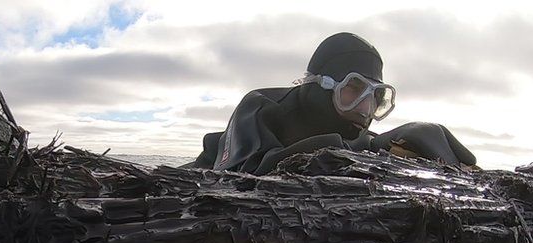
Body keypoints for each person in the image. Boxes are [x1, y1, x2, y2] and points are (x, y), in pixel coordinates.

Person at [187, 32, 476, 174]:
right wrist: (358, 150)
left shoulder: (353, 131)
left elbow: (349, 149)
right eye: (354, 89)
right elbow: (235, 175)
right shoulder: (259, 106)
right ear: (322, 85)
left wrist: (390, 149)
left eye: (376, 97)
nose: (365, 109)